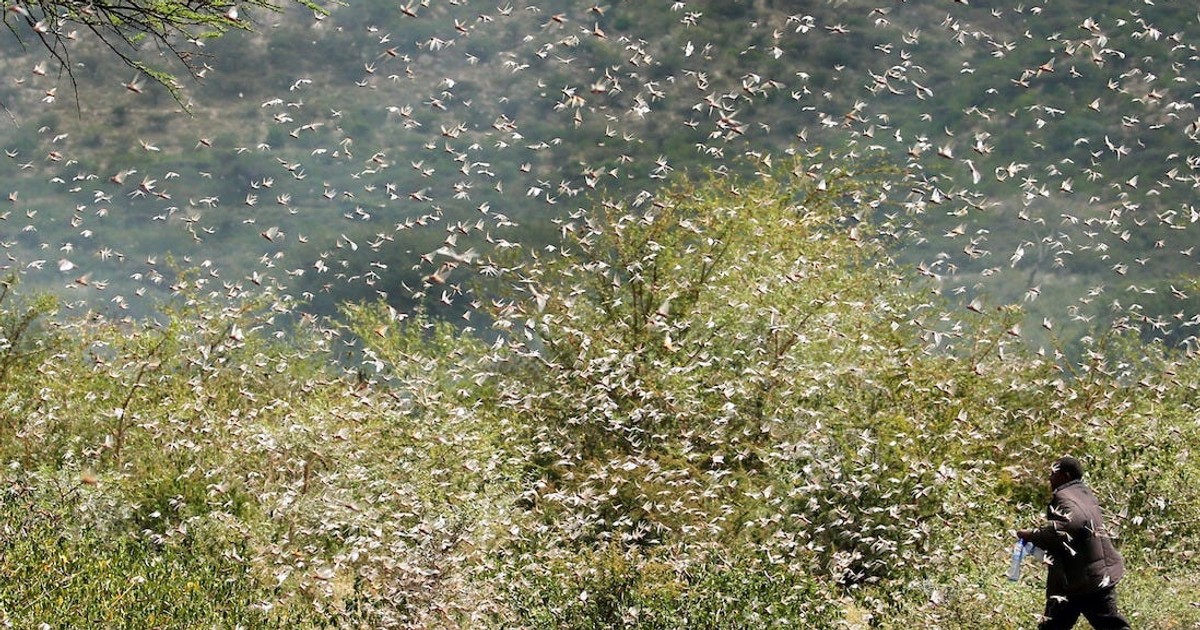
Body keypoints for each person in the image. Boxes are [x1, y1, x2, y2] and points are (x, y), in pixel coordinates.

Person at [1017, 455, 1130, 630]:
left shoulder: (1064, 497)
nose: (1050, 478)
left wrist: (1032, 535)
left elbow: (1071, 524)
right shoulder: (1084, 493)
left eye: (1054, 473)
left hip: (1087, 581)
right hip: (1078, 579)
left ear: (1066, 476)